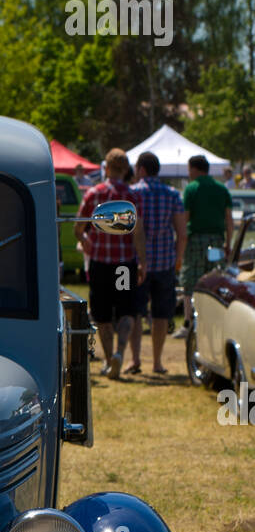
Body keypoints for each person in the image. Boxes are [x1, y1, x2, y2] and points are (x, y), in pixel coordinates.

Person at [74, 147, 147, 380]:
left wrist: (85, 240)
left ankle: (107, 360)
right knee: (126, 310)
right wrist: (142, 262)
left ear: (106, 167)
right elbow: (138, 233)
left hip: (99, 263)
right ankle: (119, 353)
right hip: (124, 264)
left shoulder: (94, 193)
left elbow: (78, 227)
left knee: (102, 313)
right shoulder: (132, 196)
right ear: (125, 169)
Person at [127, 151, 187, 375]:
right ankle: (157, 362)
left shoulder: (132, 193)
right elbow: (182, 233)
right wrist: (178, 258)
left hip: (135, 263)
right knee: (162, 314)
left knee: (134, 311)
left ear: (141, 169)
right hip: (165, 262)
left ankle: (134, 360)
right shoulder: (172, 194)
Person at [176, 155, 233, 338]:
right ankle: (215, 322)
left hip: (196, 241)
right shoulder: (221, 189)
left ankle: (188, 323)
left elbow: (184, 218)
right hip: (216, 241)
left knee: (190, 280)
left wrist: (180, 245)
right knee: (215, 281)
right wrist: (228, 243)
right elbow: (229, 219)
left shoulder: (192, 189)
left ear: (194, 169)